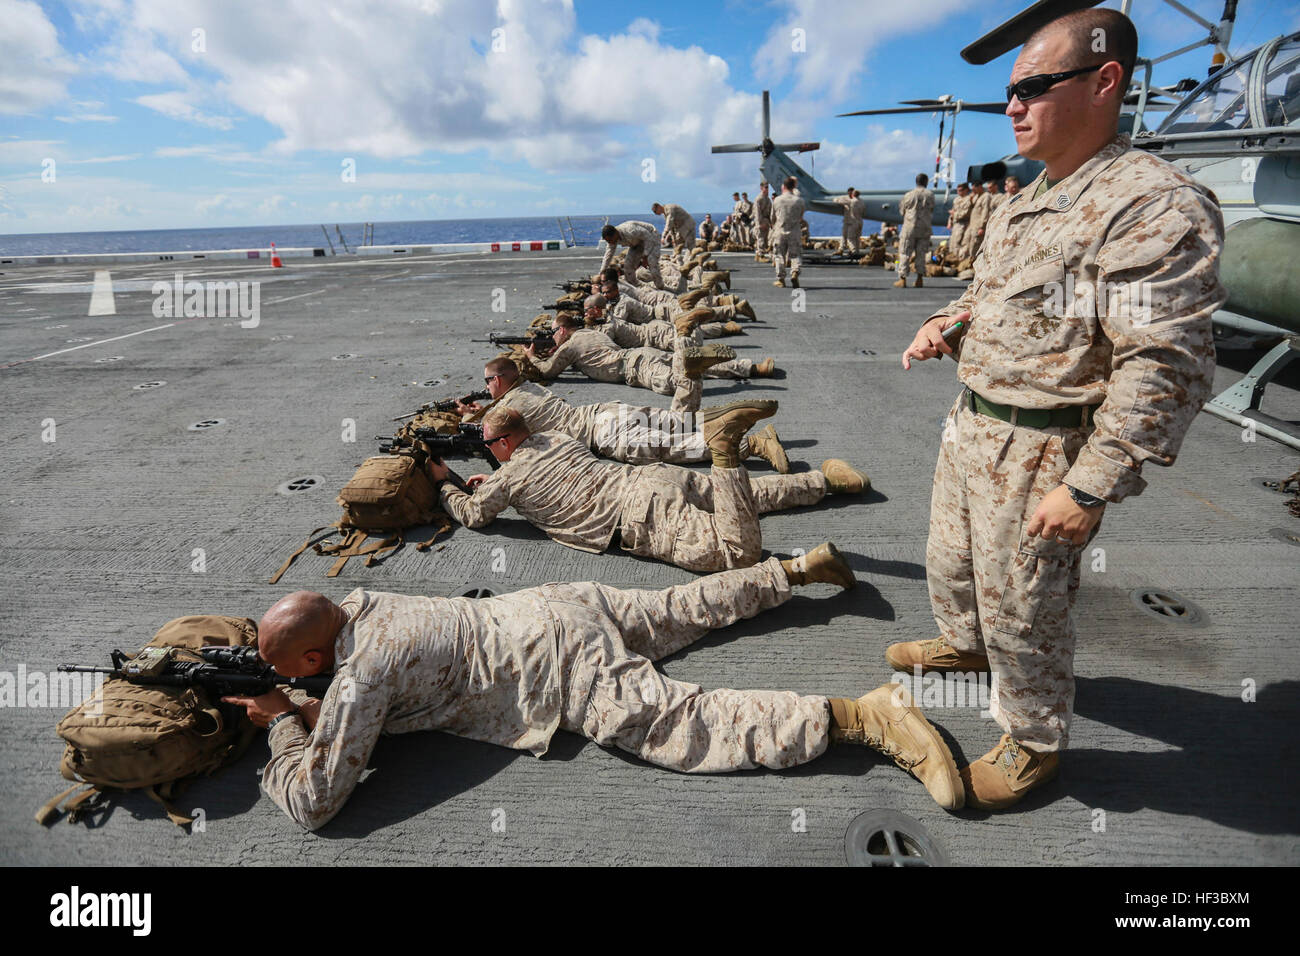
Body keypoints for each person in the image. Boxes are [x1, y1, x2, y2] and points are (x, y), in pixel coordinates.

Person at [899, 7, 1226, 810]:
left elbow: (1163, 362)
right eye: (1009, 91)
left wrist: (1090, 485)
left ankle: (1033, 740)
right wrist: (952, 321)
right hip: (972, 422)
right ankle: (969, 650)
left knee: (1026, 606)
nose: (1012, 105)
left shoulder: (1153, 205)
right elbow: (999, 293)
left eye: (1034, 87)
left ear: (1105, 81)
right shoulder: (1029, 196)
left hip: (1042, 448)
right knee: (951, 566)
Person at [226, 556, 966, 831]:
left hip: (554, 665)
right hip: (553, 603)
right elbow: (381, 681)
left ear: (319, 657)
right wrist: (313, 696)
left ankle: (862, 715)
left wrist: (281, 724)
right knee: (678, 609)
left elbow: (318, 803)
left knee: (680, 725)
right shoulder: (361, 602)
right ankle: (793, 571)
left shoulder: (360, 676)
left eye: (299, 669)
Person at [433, 405, 869, 572]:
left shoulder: (510, 476)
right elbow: (538, 472)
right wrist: (496, 479)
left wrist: (444, 487)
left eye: (490, 446)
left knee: (738, 554)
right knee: (749, 496)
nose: (489, 452)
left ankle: (726, 454)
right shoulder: (557, 439)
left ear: (504, 443)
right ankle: (827, 480)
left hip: (638, 515)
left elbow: (474, 515)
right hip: (651, 477)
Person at [461, 356, 791, 469]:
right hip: (604, 411)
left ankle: (755, 444)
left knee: (672, 448)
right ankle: (726, 414)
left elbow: (498, 438)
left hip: (600, 433)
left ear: (500, 379)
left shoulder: (506, 406)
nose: (487, 387)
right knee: (677, 422)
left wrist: (467, 416)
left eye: (488, 381)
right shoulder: (530, 387)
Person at [526, 313, 774, 412]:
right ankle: (753, 367)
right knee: (697, 366)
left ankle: (683, 337)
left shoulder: (569, 346)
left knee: (676, 383)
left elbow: (547, 371)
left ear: (563, 329)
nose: (553, 334)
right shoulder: (592, 333)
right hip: (641, 353)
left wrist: (530, 355)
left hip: (635, 368)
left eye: (555, 331)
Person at [894, 173, 935, 288]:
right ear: (926, 182)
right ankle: (919, 279)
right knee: (921, 254)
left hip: (909, 227)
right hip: (924, 227)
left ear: (916, 181)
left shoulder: (908, 195)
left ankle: (902, 279)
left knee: (905, 253)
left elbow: (902, 210)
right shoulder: (930, 195)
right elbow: (931, 208)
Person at [600, 221, 665, 289]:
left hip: (652, 238)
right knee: (628, 266)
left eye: (610, 240)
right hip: (636, 243)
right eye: (608, 241)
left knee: (652, 263)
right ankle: (635, 287)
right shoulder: (611, 240)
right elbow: (608, 255)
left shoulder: (630, 230)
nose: (610, 242)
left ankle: (660, 286)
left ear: (615, 233)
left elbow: (648, 237)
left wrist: (645, 256)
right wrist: (602, 272)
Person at [770, 176, 805, 288]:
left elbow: (772, 217)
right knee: (795, 254)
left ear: (783, 186)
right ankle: (795, 272)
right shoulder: (799, 201)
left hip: (780, 230)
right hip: (794, 231)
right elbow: (801, 217)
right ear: (793, 186)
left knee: (779, 255)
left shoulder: (777, 200)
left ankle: (781, 279)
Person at [653, 202, 697, 266]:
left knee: (690, 246)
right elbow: (672, 228)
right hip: (680, 229)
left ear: (659, 207)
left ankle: (689, 263)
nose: (656, 214)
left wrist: (664, 235)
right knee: (677, 245)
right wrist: (673, 239)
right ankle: (678, 262)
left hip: (688, 226)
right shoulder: (665, 213)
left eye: (656, 211)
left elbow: (669, 222)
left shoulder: (670, 208)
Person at [833, 187, 869, 255]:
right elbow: (864, 212)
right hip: (860, 221)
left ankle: (853, 251)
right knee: (856, 238)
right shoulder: (862, 202)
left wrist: (835, 199)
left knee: (850, 238)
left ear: (853, 194)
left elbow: (839, 201)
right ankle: (853, 250)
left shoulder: (851, 201)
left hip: (852, 222)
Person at [947, 182, 971, 264]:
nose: (959, 192)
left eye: (961, 190)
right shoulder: (956, 200)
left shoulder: (968, 199)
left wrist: (955, 214)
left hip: (963, 224)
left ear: (966, 190)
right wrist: (950, 222)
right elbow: (953, 211)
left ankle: (959, 262)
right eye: (958, 190)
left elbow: (966, 213)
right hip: (956, 224)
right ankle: (952, 260)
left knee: (958, 243)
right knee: (952, 243)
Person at [754, 182, 773, 261]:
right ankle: (760, 255)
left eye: (768, 187)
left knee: (765, 239)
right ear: (761, 188)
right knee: (761, 238)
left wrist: (771, 222)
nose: (767, 189)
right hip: (761, 221)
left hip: (766, 221)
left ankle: (761, 254)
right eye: (765, 187)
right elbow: (757, 212)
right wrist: (759, 223)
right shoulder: (759, 199)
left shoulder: (768, 199)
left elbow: (770, 212)